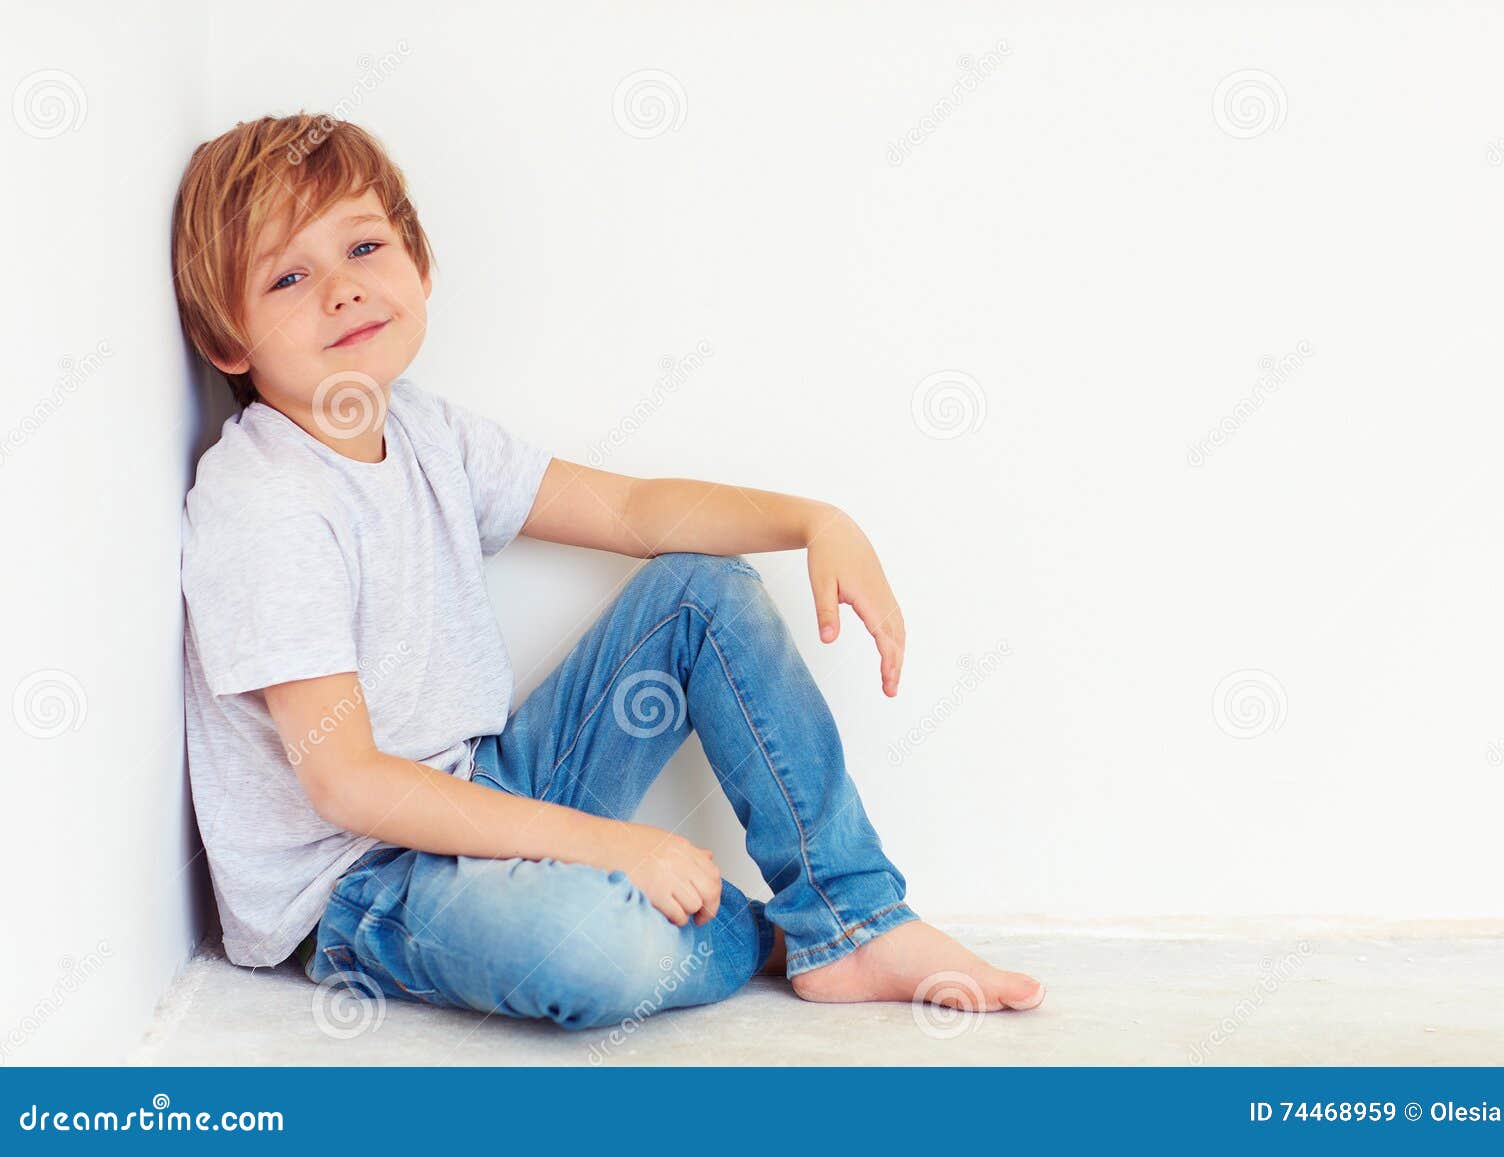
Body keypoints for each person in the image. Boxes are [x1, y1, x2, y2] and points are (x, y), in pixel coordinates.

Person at [172, 113, 1045, 1030]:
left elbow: (635, 512)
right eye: (290, 276)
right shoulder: (265, 503)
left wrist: (815, 519)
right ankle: (776, 937)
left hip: (486, 789)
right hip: (360, 883)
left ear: (419, 266)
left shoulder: (429, 433)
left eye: (363, 246)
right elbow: (344, 783)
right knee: (590, 947)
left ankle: (852, 917)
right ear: (229, 342)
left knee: (705, 591)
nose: (344, 292)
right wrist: (611, 849)